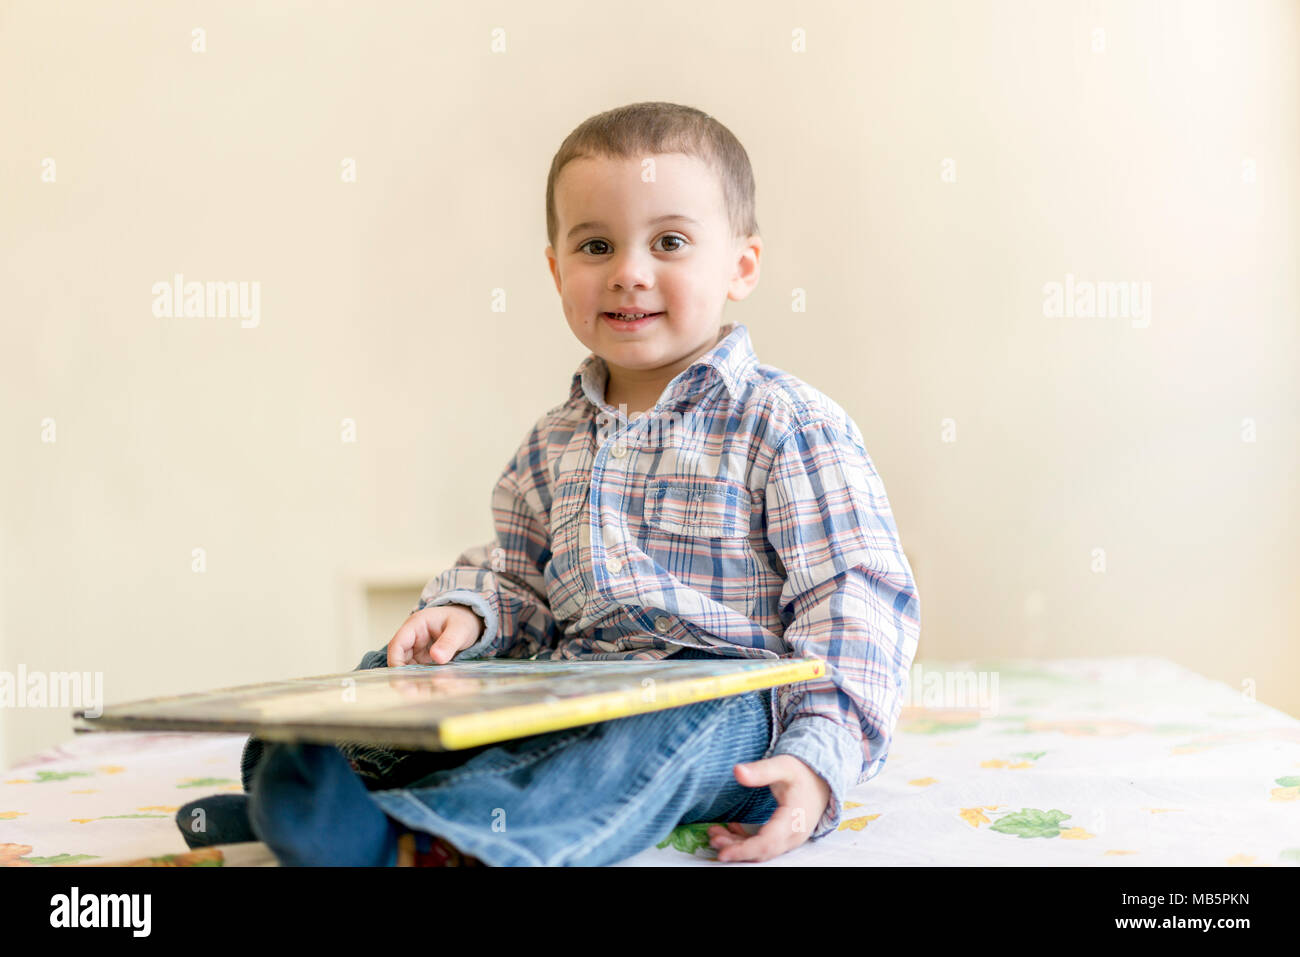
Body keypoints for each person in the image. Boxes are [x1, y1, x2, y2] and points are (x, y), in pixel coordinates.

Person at [175, 101, 921, 866]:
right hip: (574, 689)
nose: (629, 271)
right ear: (557, 269)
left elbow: (856, 598)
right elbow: (523, 582)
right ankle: (315, 793)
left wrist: (817, 754)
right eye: (596, 244)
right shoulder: (553, 441)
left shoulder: (785, 421)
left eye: (669, 241)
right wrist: (470, 615)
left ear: (741, 265)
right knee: (394, 681)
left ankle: (421, 841)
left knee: (659, 732)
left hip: (733, 713)